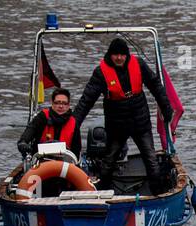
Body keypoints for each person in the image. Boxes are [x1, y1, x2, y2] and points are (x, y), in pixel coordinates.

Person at [70, 37, 174, 192]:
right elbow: (87, 99)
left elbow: (155, 85)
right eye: (115, 55)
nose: (119, 58)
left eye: (122, 55)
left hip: (140, 123)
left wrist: (166, 107)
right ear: (110, 55)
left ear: (127, 55)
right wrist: (74, 123)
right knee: (108, 163)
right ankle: (104, 192)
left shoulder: (139, 64)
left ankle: (157, 194)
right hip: (116, 126)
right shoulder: (101, 73)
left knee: (151, 160)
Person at [18, 87, 81, 159]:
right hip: (41, 161)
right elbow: (28, 133)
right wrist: (23, 143)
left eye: (64, 103)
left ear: (68, 105)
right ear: (52, 103)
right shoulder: (42, 117)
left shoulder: (73, 123)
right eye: (57, 103)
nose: (60, 106)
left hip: (65, 164)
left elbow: (76, 151)